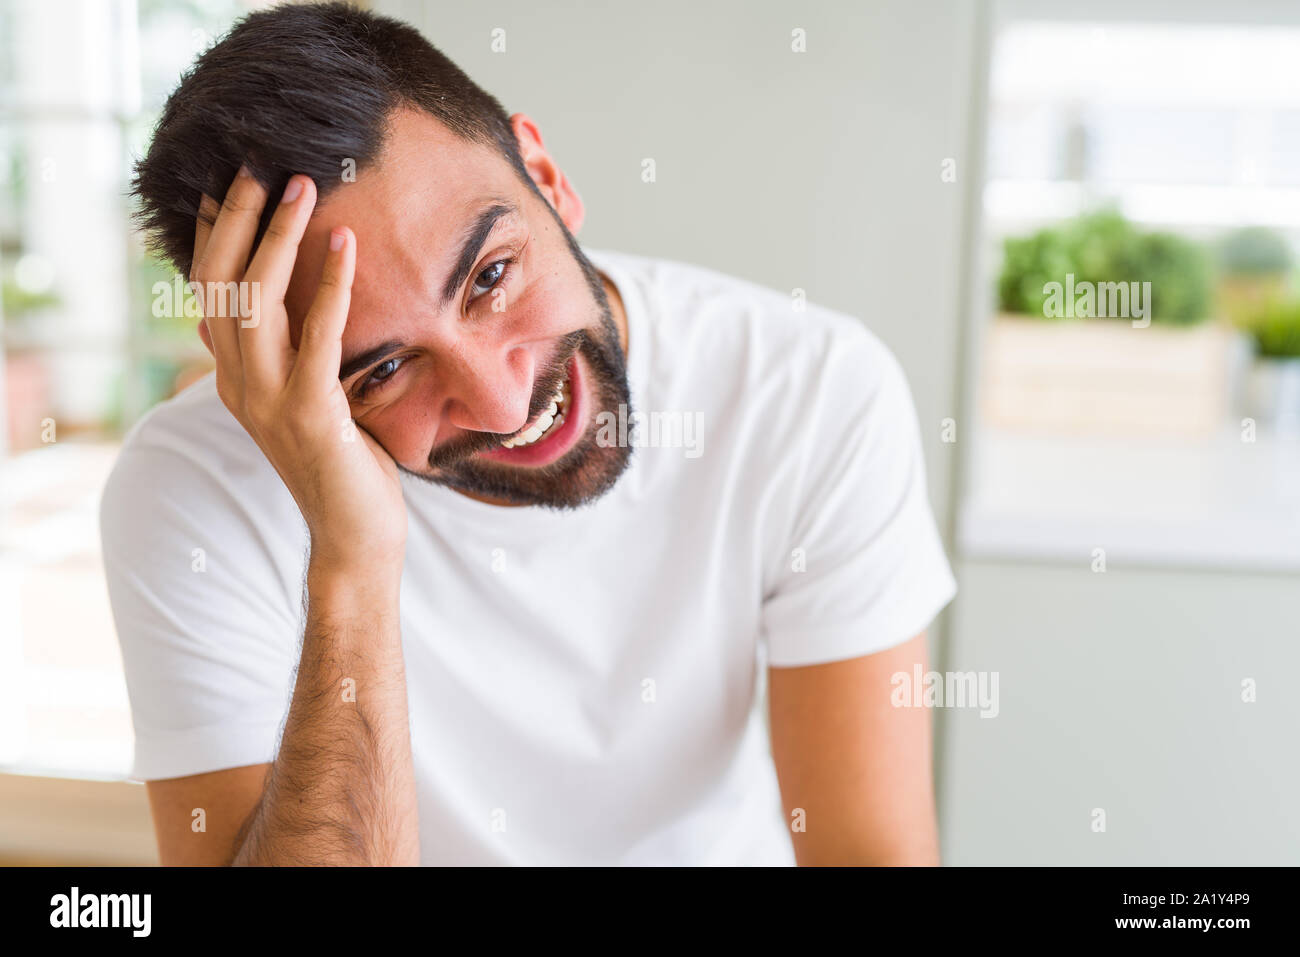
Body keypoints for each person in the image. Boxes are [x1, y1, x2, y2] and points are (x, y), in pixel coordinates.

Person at [102, 1, 956, 866]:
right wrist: (351, 560)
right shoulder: (189, 490)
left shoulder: (809, 390)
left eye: (491, 275)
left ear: (546, 176)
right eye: (383, 370)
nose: (504, 405)